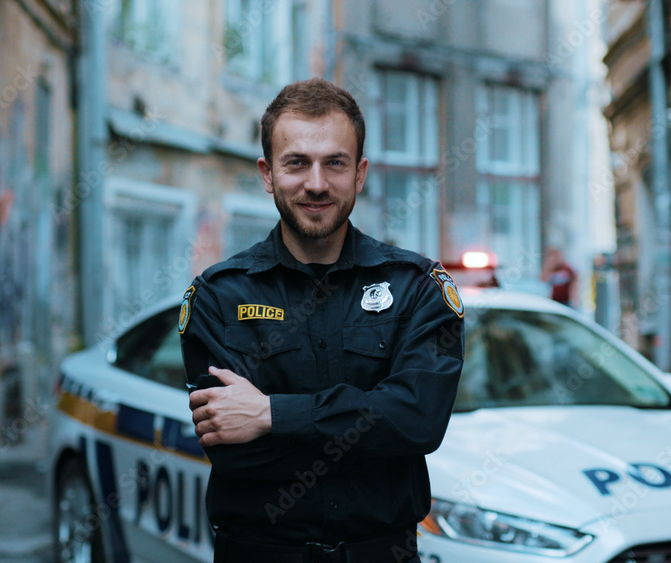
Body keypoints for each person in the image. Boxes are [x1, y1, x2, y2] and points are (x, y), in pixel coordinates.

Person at [179, 78, 465, 563]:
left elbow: (418, 421)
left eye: (335, 162)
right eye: (296, 163)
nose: (316, 183)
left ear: (360, 173)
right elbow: (234, 449)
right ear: (267, 173)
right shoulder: (218, 296)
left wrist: (271, 415)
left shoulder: (416, 285)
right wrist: (371, 427)